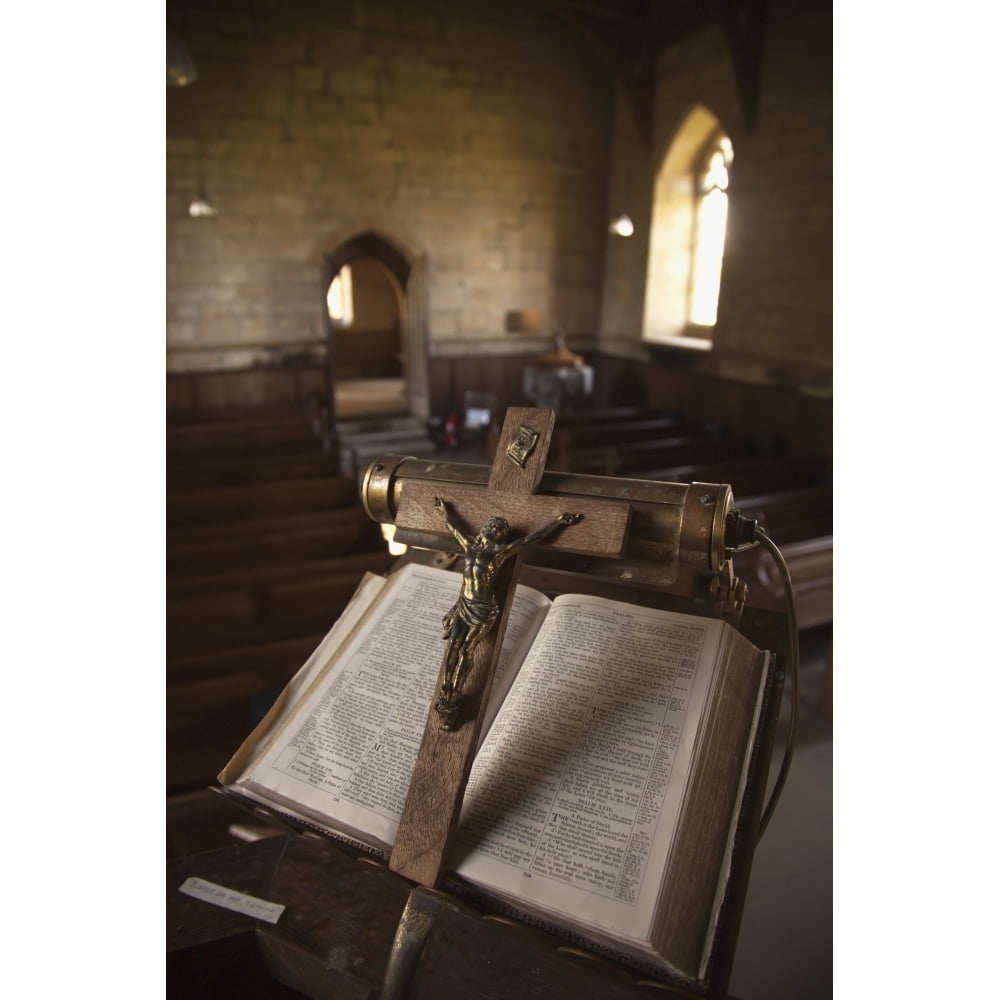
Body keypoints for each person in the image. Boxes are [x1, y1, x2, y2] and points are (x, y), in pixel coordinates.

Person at [432, 496, 582, 729]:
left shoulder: (499, 552)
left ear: (501, 535)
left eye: (497, 529)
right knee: (452, 646)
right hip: (463, 604)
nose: (492, 530)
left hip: (481, 608)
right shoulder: (470, 545)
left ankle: (457, 692)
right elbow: (454, 527)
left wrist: (558, 522)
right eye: (491, 526)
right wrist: (444, 509)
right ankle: (447, 690)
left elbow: (532, 539)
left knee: (467, 649)